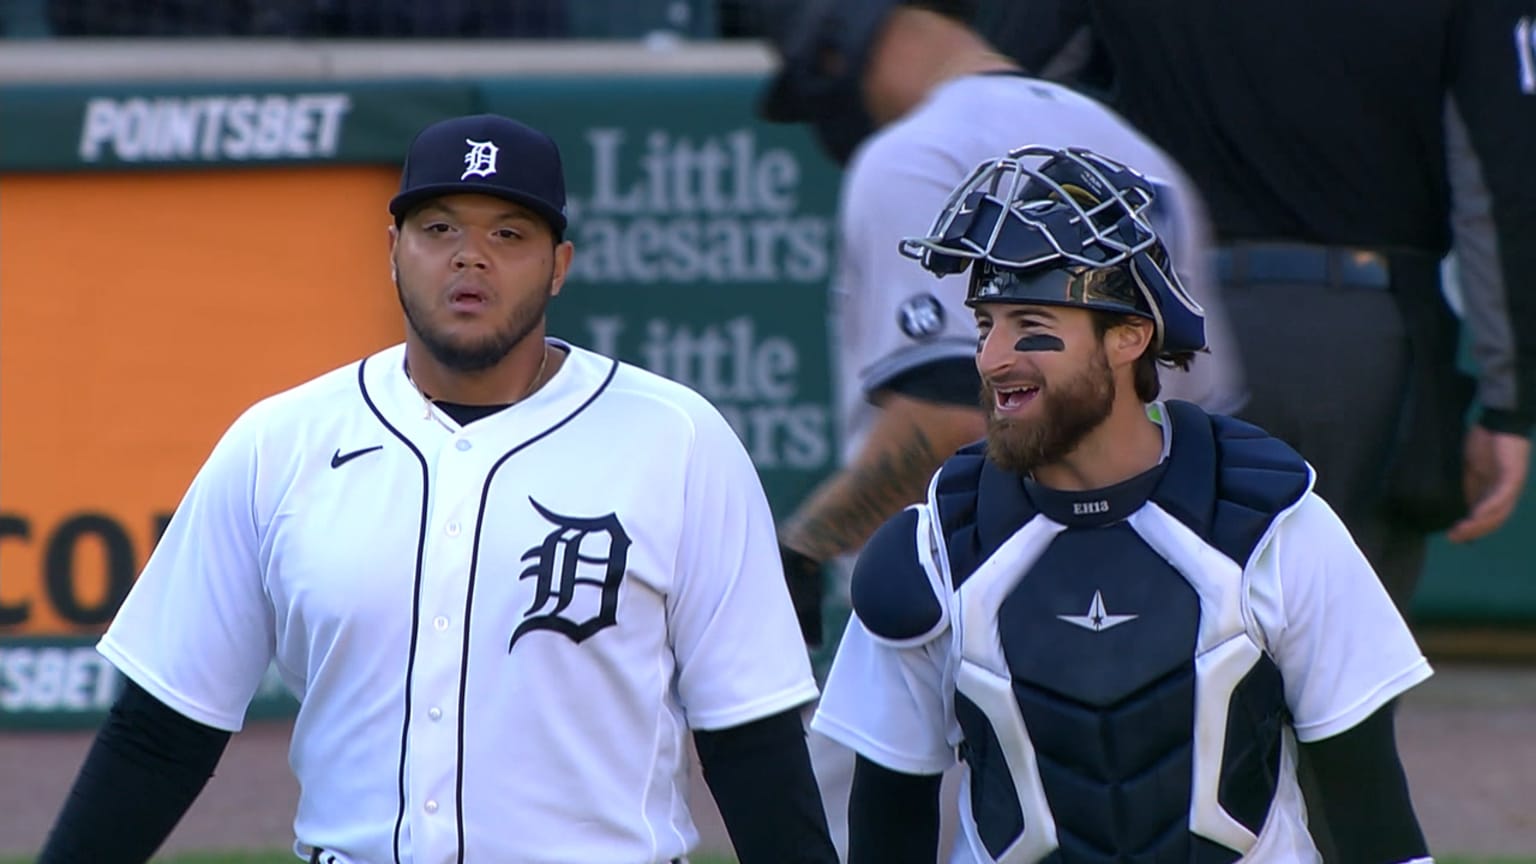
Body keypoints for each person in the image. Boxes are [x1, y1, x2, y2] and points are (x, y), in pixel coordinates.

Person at [36, 113, 837, 864]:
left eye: (508, 233)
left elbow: (752, 741)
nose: (470, 257)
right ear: (393, 250)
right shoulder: (280, 442)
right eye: (439, 228)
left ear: (559, 266)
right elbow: (161, 732)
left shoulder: (678, 439)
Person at [811, 145, 1437, 864]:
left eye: (1031, 326)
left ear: (1129, 336)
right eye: (985, 325)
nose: (991, 358)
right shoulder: (938, 546)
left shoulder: (1271, 522)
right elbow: (888, 825)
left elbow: (1369, 810)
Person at [753, 0, 1244, 854]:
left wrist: (803, 550)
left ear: (837, 56)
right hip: (1140, 590)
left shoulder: (919, 154)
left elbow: (946, 420)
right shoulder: (1145, 160)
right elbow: (1211, 410)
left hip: (956, 587)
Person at [1002, 0, 1535, 613]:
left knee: (1147, 634)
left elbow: (1015, 97)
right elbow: (1500, 182)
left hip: (1157, 317)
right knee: (1336, 651)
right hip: (1357, 338)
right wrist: (1508, 403)